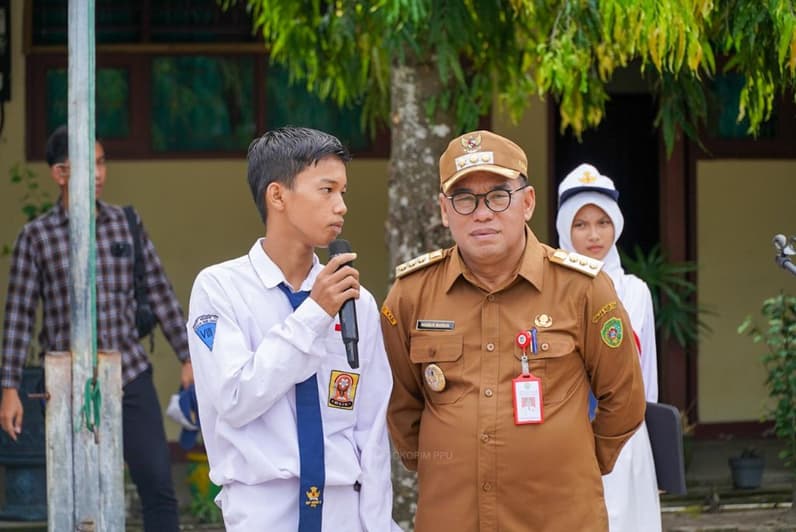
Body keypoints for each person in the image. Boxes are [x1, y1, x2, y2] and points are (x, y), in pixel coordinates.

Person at [380, 130, 647, 531]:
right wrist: (448, 462)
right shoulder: (411, 295)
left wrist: (573, 461)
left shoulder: (583, 288)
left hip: (559, 519)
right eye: (464, 198)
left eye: (498, 195)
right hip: (452, 517)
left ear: (527, 202)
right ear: (444, 210)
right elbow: (399, 406)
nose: (482, 213)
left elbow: (624, 398)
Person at [186, 126, 398, 531]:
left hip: (343, 512)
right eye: (326, 190)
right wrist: (313, 315)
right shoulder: (220, 289)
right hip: (264, 511)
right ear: (278, 195)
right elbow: (234, 398)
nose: (341, 206)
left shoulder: (358, 302)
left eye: (343, 192)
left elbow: (370, 434)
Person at [0, 125, 191, 531]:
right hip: (66, 383)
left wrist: (189, 356)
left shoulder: (127, 224)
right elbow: (18, 315)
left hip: (129, 373)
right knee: (73, 495)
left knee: (157, 483)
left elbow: (159, 291)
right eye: (89, 164)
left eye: (102, 162)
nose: (100, 173)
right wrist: (10, 388)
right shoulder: (37, 237)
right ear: (60, 173)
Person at [556, 163, 661, 531]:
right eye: (580, 224)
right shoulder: (549, 290)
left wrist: (654, 448)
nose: (593, 235)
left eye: (602, 222)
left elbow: (646, 380)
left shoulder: (635, 291)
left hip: (627, 441)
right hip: (565, 438)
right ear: (564, 229)